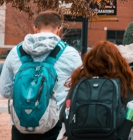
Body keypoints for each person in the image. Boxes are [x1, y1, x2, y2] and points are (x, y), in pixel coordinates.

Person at [0, 11, 82, 140]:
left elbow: (5, 91)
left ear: (35, 28)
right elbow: (80, 91)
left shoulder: (15, 52)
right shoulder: (70, 54)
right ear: (59, 30)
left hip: (21, 124)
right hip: (55, 125)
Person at [60, 41, 133, 139]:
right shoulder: (122, 82)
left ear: (89, 60)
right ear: (117, 61)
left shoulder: (80, 81)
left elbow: (63, 115)